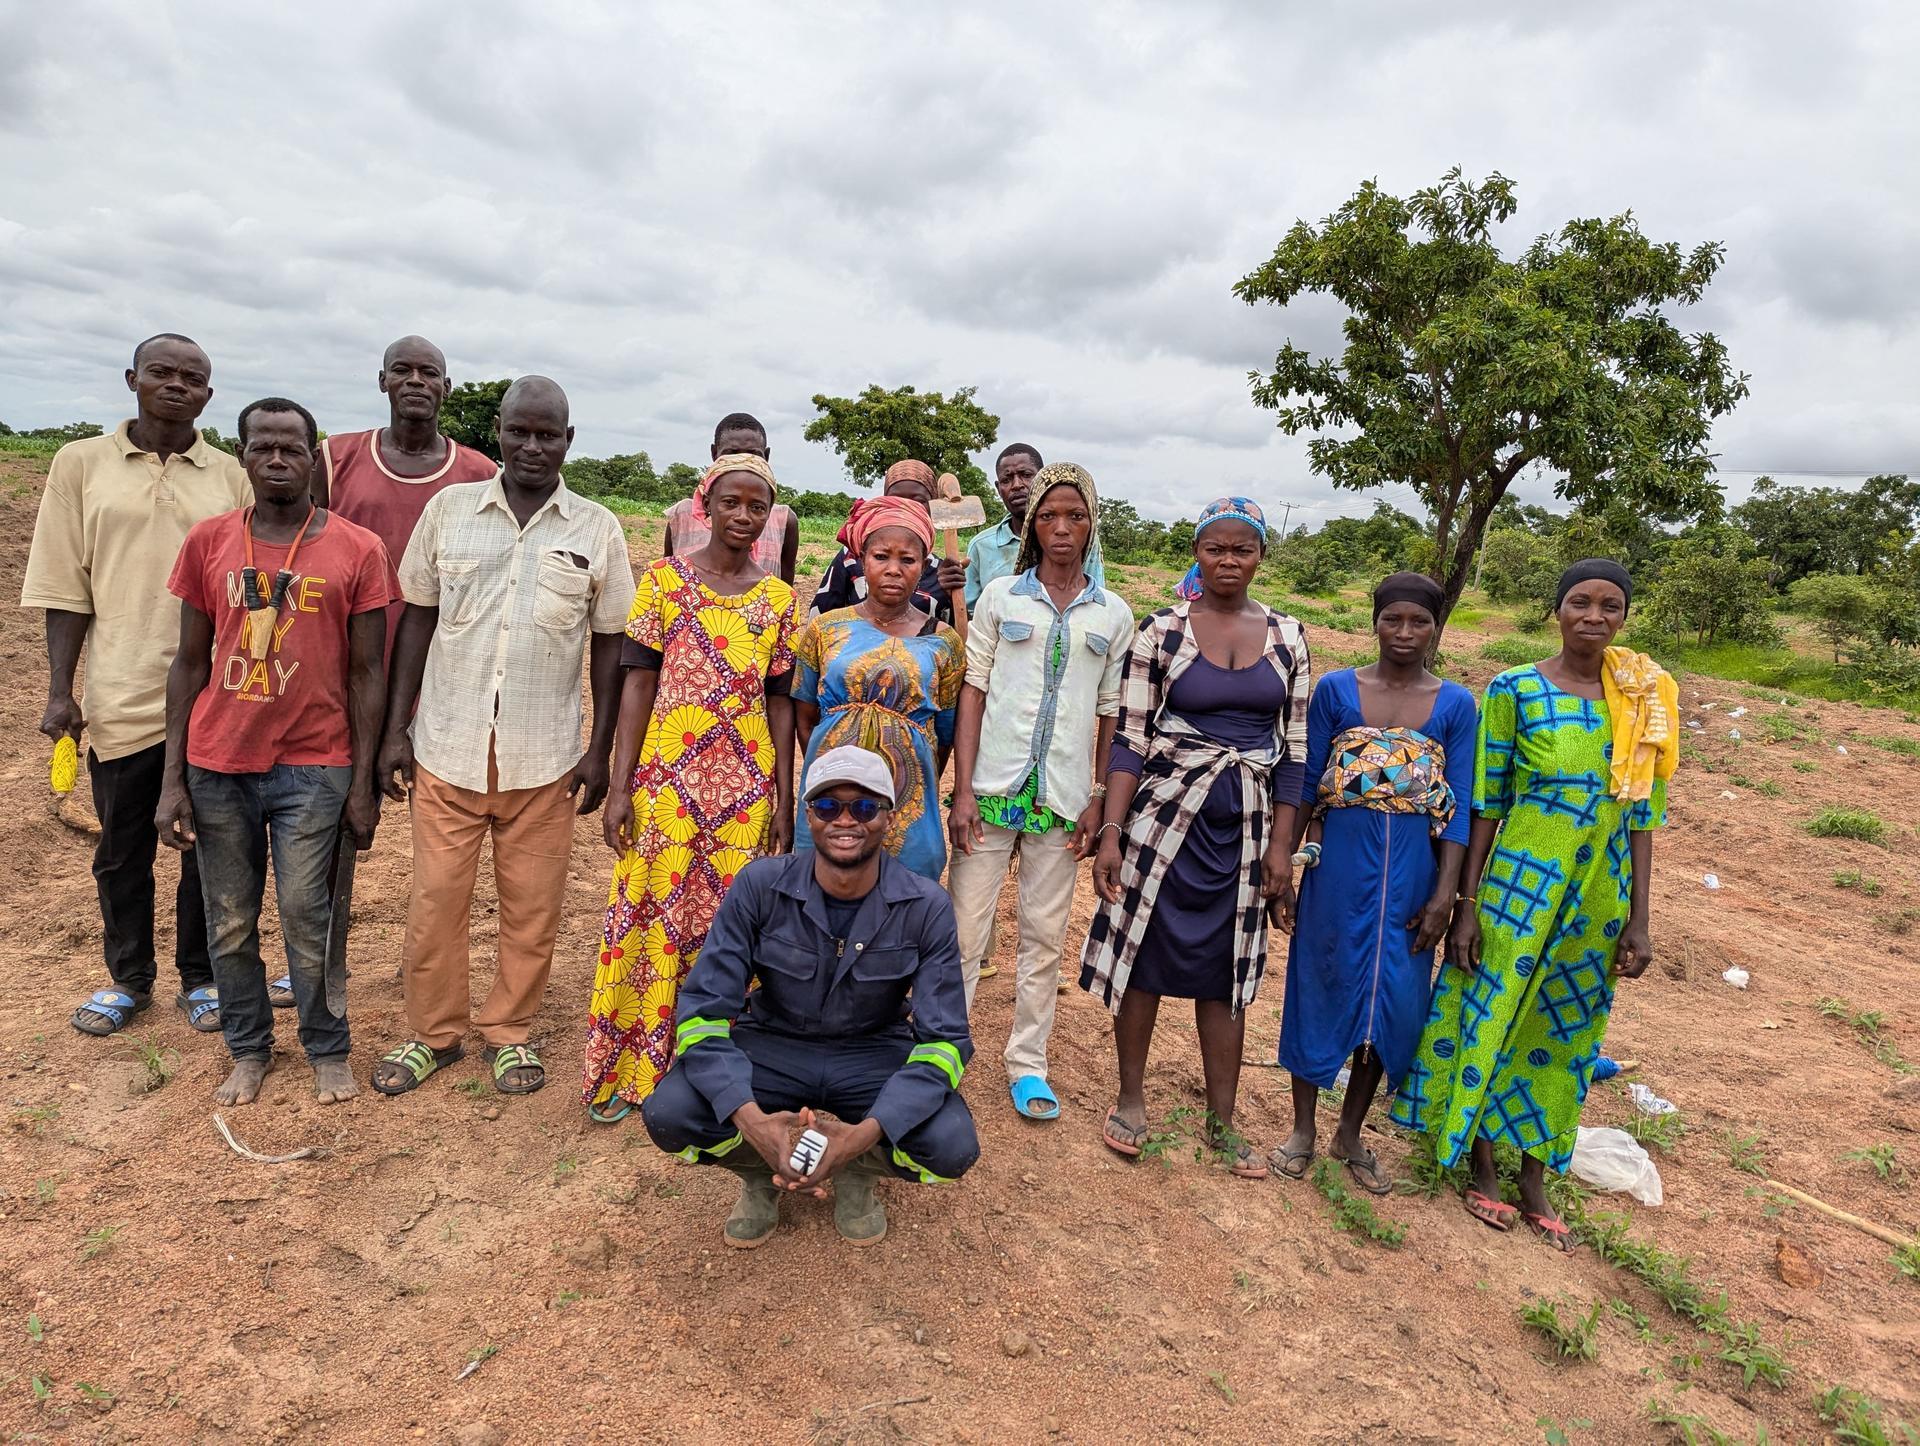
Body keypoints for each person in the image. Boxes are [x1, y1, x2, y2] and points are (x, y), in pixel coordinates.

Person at [1392, 559, 1675, 1251]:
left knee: (1567, 1026)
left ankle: (1535, 1173)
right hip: (1519, 881)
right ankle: (1483, 1161)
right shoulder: (1515, 688)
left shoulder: (1644, 698)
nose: (1594, 617)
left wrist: (1639, 919)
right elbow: (1485, 802)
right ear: (1557, 610)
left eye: (1610, 606)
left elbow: (1644, 816)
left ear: (1624, 617)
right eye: (1580, 602)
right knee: (1494, 1012)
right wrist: (1466, 903)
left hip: (1599, 892)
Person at [372, 376, 635, 1097]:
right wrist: (396, 729)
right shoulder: (449, 511)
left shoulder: (597, 528)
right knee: (435, 903)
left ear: (568, 441)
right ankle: (433, 1033)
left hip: (545, 757)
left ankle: (510, 1032)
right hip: (446, 746)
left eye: (548, 435)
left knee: (532, 909)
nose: (532, 447)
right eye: (520, 431)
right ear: (499, 431)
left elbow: (610, 643)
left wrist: (600, 750)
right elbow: (417, 619)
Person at [641, 745, 979, 1249]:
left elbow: (946, 1042)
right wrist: (752, 1123)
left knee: (950, 1148)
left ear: (889, 817)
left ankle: (856, 1169)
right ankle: (761, 1170)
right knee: (670, 1115)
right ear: (808, 816)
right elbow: (703, 1013)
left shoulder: (926, 905)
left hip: (872, 1050)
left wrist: (860, 1138)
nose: (846, 820)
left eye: (864, 807)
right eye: (827, 806)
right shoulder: (760, 886)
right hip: (773, 1043)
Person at [155, 398, 395, 1106]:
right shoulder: (209, 542)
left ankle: (326, 1047)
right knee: (229, 920)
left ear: (313, 456)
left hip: (316, 765)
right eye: (263, 447)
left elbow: (367, 673)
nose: (278, 460)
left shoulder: (358, 548)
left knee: (306, 915)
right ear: (244, 456)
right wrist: (172, 780)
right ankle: (249, 1048)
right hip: (218, 762)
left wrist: (361, 785)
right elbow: (189, 664)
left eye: (292, 448)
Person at [22, 334, 253, 1039]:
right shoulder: (80, 463)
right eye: (162, 372)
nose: (177, 385)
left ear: (209, 395)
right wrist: (61, 690)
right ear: (133, 379)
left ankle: (201, 976)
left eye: (193, 378)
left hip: (215, 698)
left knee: (209, 851)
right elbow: (65, 586)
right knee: (123, 850)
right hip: (122, 692)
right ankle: (129, 977)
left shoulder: (230, 476)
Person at [1082, 497, 1310, 1179]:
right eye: (1216, 548)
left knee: (1225, 972)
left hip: (1245, 830)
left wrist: (1282, 847)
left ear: (1261, 556)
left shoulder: (1288, 636)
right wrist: (1112, 833)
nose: (1229, 561)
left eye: (1243, 549)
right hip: (1163, 820)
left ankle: (1222, 1121)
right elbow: (1130, 739)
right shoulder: (1162, 630)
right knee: (1144, 958)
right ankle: (1130, 1098)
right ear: (1197, 553)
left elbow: (1295, 753)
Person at [583, 453, 800, 1122]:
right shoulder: (664, 581)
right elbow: (638, 682)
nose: (743, 515)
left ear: (769, 518)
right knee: (651, 911)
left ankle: (715, 1073)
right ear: (706, 505)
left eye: (757, 506)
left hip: (744, 786)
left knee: (731, 923)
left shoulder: (779, 600)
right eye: (731, 502)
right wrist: (622, 785)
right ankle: (632, 1066)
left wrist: (783, 797)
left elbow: (781, 700)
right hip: (667, 778)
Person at [292, 334, 496, 1007]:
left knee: (443, 841)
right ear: (381, 380)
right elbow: (302, 549)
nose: (415, 380)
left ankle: (430, 971)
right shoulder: (336, 457)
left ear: (446, 386)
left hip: (445, 682)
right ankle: (317, 963)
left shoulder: (478, 472)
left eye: (428, 372)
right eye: (401, 370)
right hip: (345, 675)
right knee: (330, 824)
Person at [1272, 573, 1477, 1192]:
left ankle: (1350, 1132)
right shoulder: (1337, 690)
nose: (1405, 632)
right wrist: (1287, 865)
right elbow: (1306, 782)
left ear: (1436, 628)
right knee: (1322, 980)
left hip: (1415, 873)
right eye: (1393, 619)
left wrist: (1446, 895)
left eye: (1419, 621)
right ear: (1375, 623)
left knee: (1396, 997)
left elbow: (1459, 808)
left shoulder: (1457, 705)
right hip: (1338, 866)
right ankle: (1303, 1129)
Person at [948, 463, 1132, 1122]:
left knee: (1044, 939)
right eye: (1049, 515)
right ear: (1032, 525)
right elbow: (973, 691)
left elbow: (1110, 713)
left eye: (1075, 516)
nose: (1061, 528)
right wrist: (963, 788)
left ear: (1091, 525)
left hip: (1062, 800)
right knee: (964, 933)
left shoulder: (1113, 614)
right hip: (991, 792)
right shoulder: (1002, 598)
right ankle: (944, 1053)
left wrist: (1097, 800)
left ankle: (1028, 1063)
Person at [793, 496, 962, 880]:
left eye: (908, 560)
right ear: (862, 561)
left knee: (904, 893)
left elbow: (946, 732)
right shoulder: (826, 628)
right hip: (830, 791)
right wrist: (828, 764)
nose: (893, 570)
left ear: (924, 566)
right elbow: (804, 713)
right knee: (822, 887)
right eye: (881, 557)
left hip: (909, 800)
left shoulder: (944, 641)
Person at [810, 460, 966, 621]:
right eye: (880, 557)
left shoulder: (941, 571)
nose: (904, 507)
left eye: (918, 501)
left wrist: (952, 596)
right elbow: (820, 619)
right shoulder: (851, 557)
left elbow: (953, 632)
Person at [962, 443, 1105, 608]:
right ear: (998, 488)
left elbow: (1095, 601)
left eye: (1026, 475)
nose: (1017, 485)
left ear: (1043, 480)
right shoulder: (981, 546)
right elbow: (970, 612)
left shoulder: (1078, 540)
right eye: (1006, 480)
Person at [663, 412, 798, 586]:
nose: (742, 463)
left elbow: (785, 589)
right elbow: (667, 582)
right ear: (714, 454)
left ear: (766, 456)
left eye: (753, 456)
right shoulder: (681, 516)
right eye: (731, 455)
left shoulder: (784, 520)